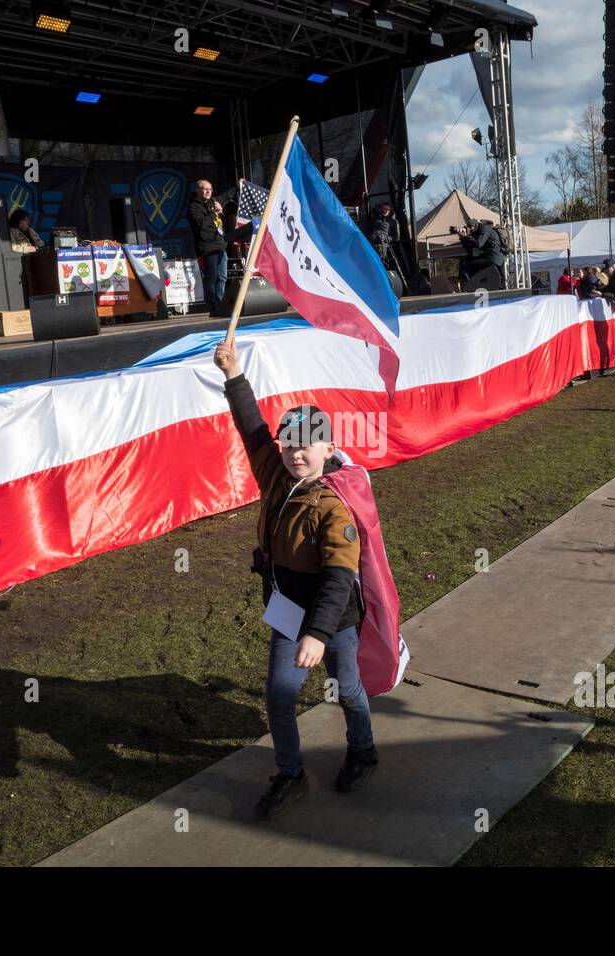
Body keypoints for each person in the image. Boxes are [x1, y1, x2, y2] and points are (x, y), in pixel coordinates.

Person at [211, 337, 381, 819]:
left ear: (328, 447)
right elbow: (251, 429)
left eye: (306, 446)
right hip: (287, 610)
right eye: (290, 445)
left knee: (347, 689)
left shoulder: (334, 503)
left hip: (333, 618)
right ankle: (290, 774)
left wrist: (318, 634)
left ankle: (364, 750)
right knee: (280, 694)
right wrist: (233, 373)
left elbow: (338, 577)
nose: (295, 454)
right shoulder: (277, 475)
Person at [188, 180, 228, 315]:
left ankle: (221, 304)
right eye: (204, 189)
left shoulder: (214, 201)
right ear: (198, 191)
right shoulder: (194, 207)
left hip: (220, 245)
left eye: (210, 189)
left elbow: (227, 196)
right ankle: (213, 308)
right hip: (207, 248)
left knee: (222, 277)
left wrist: (239, 184)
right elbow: (201, 224)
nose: (208, 191)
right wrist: (213, 211)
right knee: (211, 278)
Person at [456, 219, 506, 288]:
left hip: (493, 259)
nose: (469, 230)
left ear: (476, 225)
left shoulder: (485, 230)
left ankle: (470, 284)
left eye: (470, 227)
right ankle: (464, 282)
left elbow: (479, 244)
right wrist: (463, 239)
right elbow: (470, 250)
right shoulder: (478, 232)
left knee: (469, 265)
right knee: (465, 259)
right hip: (488, 257)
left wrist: (466, 237)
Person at [369, 202, 401, 272]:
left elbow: (397, 237)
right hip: (373, 244)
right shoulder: (375, 220)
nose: (384, 211)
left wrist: (387, 239)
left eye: (387, 209)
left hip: (384, 247)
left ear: (390, 210)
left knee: (382, 264)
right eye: (383, 209)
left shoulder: (394, 221)